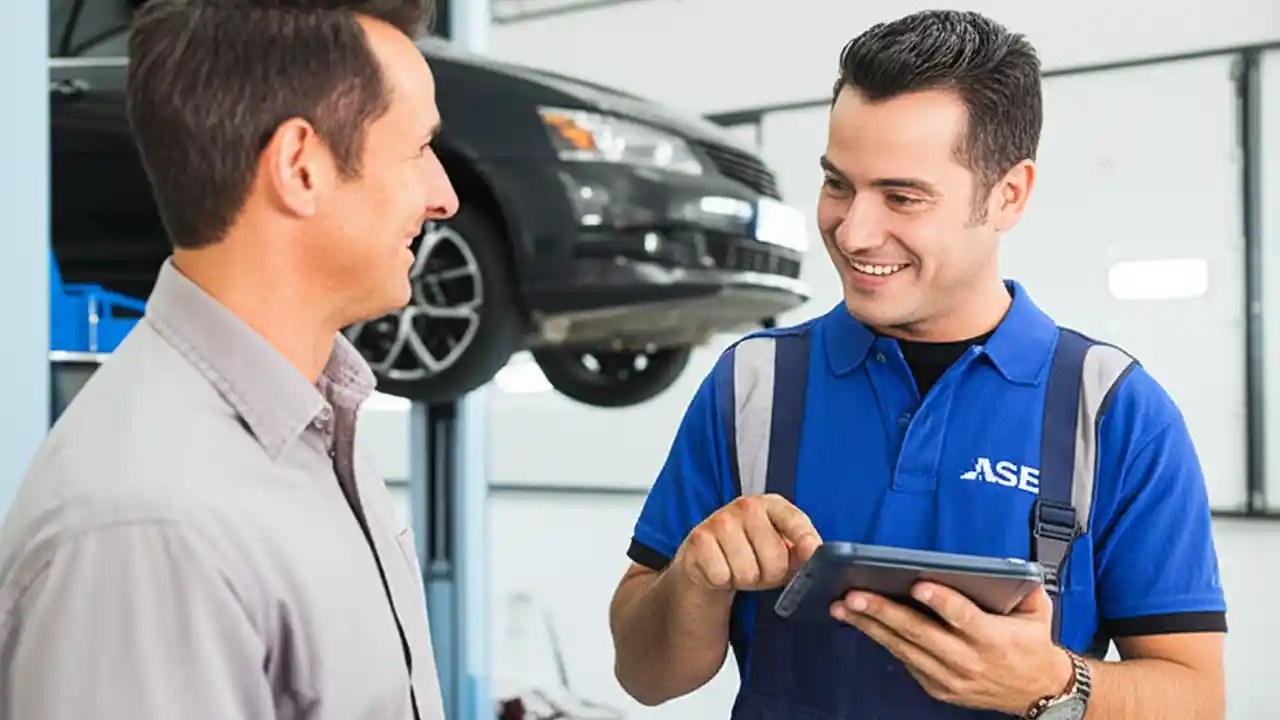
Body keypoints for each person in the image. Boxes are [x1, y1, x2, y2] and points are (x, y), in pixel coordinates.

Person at [609, 10, 1226, 719]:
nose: (853, 229)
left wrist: (1054, 685)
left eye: (902, 197)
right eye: (838, 184)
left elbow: (1196, 698)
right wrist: (693, 579)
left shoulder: (1114, 411)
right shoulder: (755, 386)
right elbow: (645, 677)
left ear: (1010, 195)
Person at [0, 1, 458, 718]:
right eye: (418, 151)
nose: (444, 197)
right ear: (300, 167)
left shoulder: (311, 432)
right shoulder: (147, 528)